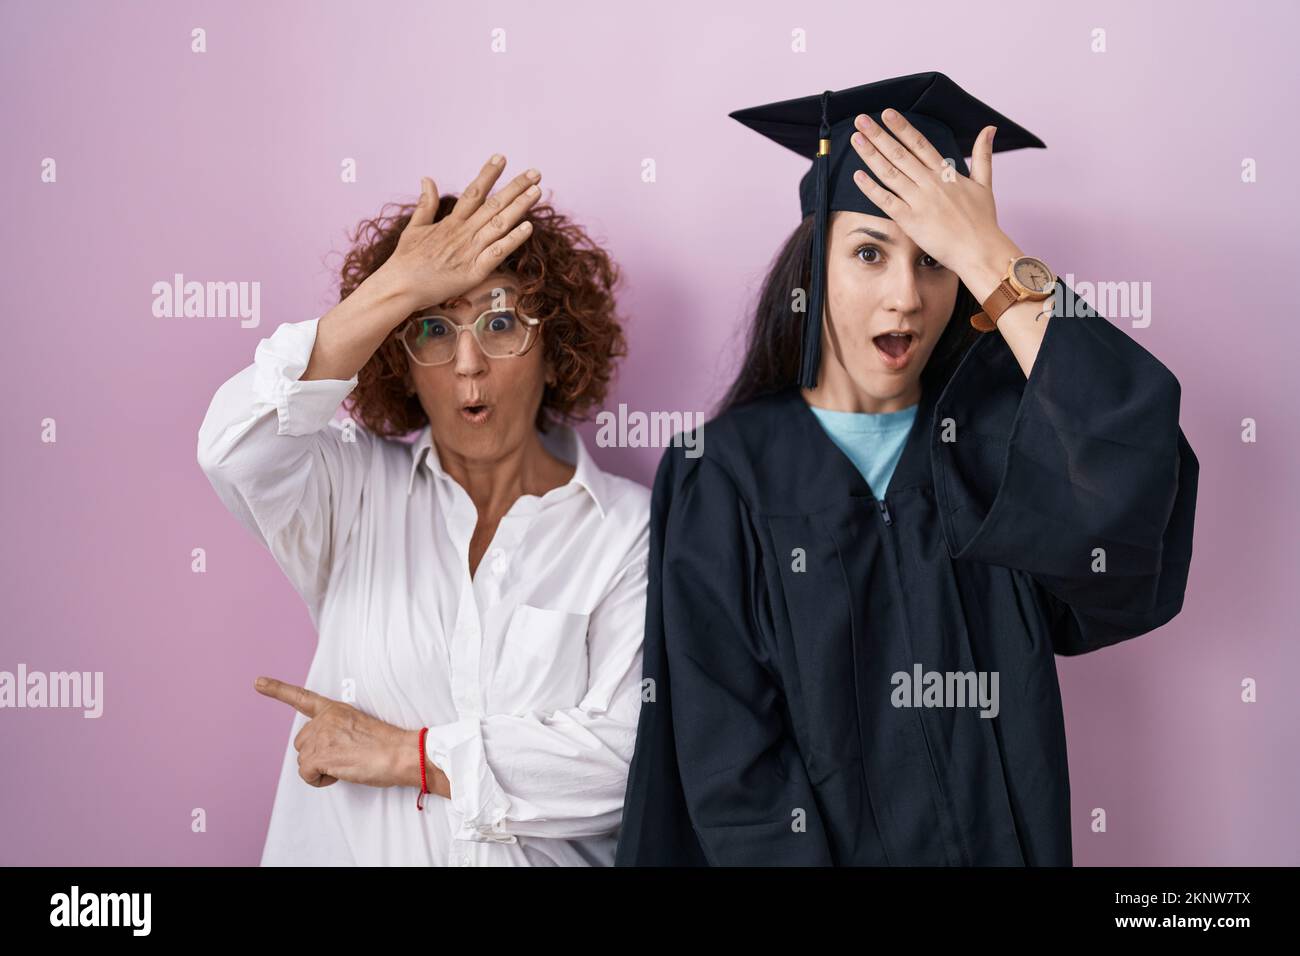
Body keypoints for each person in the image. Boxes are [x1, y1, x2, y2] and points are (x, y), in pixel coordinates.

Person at [616, 72, 1199, 866]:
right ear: (812, 271)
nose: (906, 296)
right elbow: (731, 769)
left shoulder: (997, 451)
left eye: (933, 261)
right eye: (868, 252)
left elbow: (1131, 477)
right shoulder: (724, 476)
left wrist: (990, 252)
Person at [197, 156, 651, 866]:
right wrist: (396, 288)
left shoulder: (630, 530)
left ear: (555, 350)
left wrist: (405, 755)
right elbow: (234, 448)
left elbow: (626, 767)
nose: (468, 362)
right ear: (398, 359)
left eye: (501, 323)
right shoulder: (349, 491)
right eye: (434, 329)